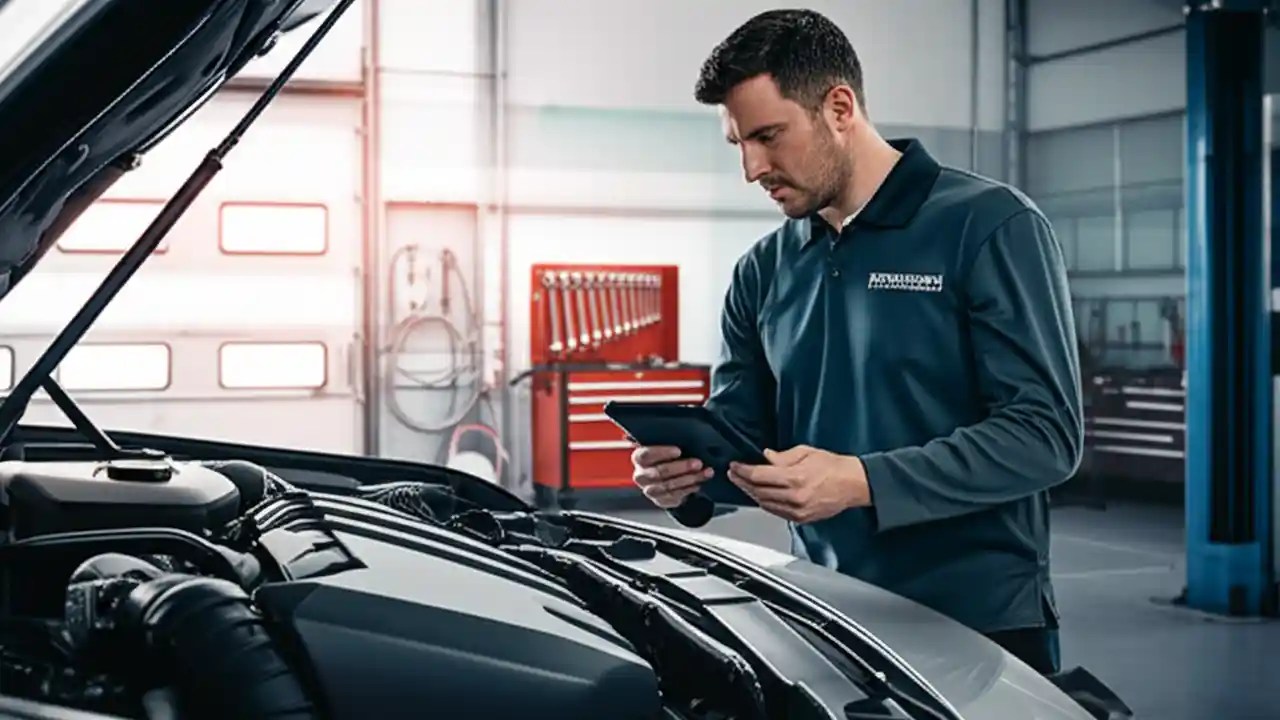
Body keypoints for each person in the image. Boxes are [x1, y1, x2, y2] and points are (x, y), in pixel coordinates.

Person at [630, 9, 1082, 676]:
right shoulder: (763, 268)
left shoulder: (988, 226)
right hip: (825, 611)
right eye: (738, 144)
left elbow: (1044, 435)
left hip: (981, 625)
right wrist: (688, 479)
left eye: (768, 136)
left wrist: (862, 481)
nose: (752, 169)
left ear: (839, 107)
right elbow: (745, 436)